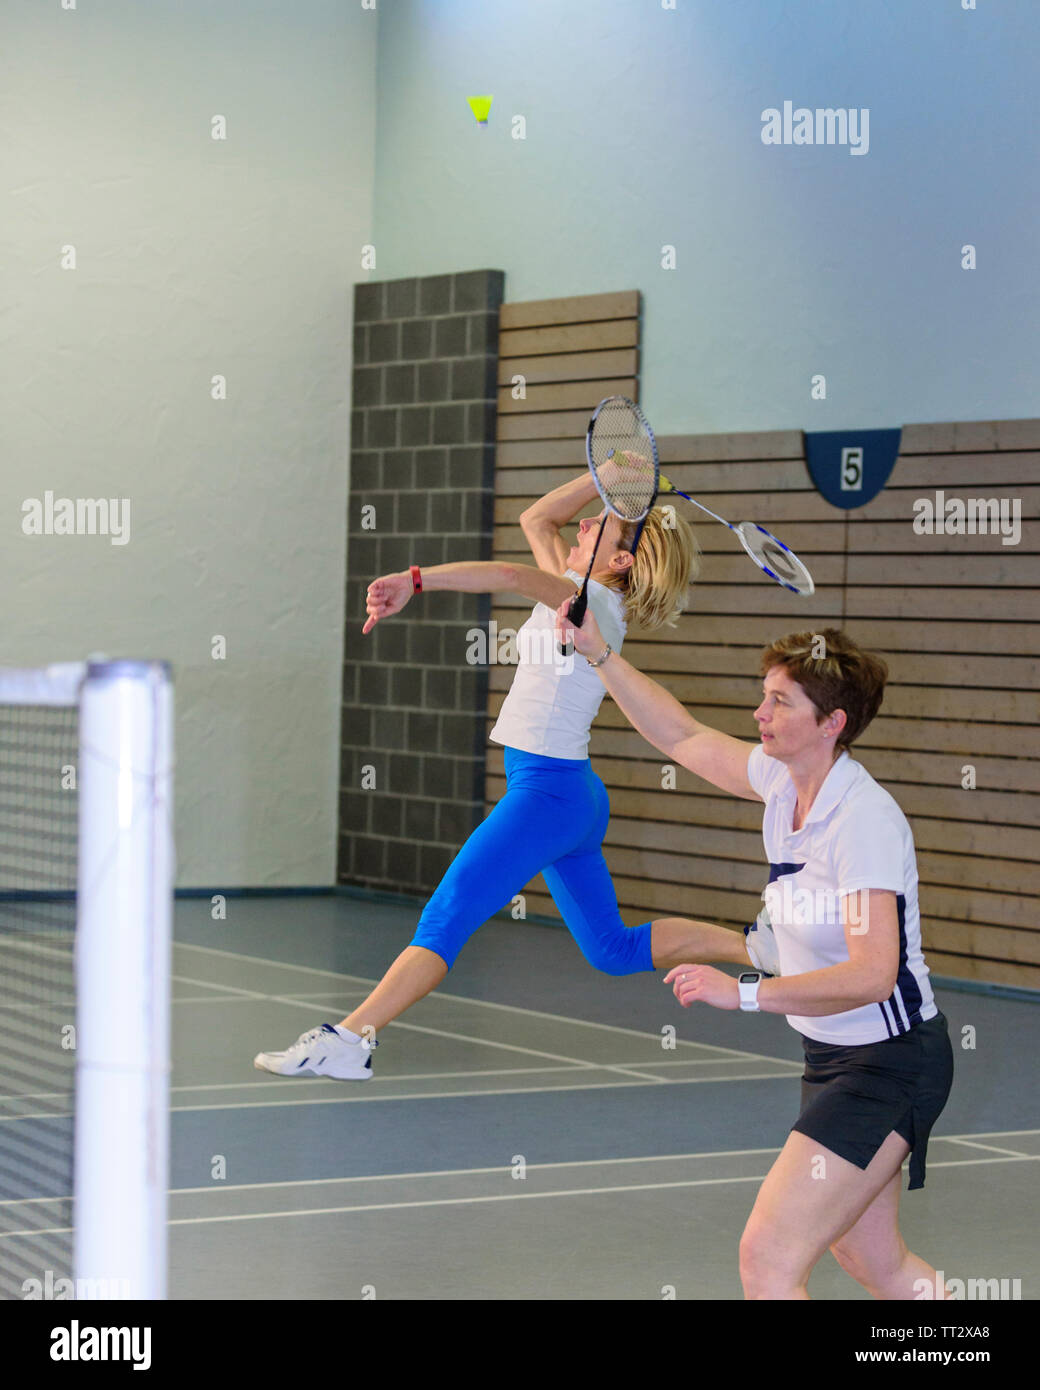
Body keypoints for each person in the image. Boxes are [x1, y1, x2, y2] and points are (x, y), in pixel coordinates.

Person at [254, 466, 756, 1081]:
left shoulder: (587, 601)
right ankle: (759, 945)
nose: (587, 518)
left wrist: (416, 579)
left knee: (446, 917)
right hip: (569, 793)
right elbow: (536, 519)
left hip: (547, 794)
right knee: (612, 950)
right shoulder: (577, 586)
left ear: (621, 563)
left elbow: (510, 573)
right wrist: (608, 477)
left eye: (603, 522)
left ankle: (352, 1036)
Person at [555, 606, 954, 1301]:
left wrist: (739, 993)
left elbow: (871, 973)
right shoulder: (779, 782)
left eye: (780, 701)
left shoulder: (862, 824)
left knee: (767, 1262)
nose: (759, 712)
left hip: (890, 1064)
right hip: (830, 1057)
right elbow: (679, 733)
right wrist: (599, 654)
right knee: (876, 1265)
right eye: (764, 695)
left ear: (831, 725)